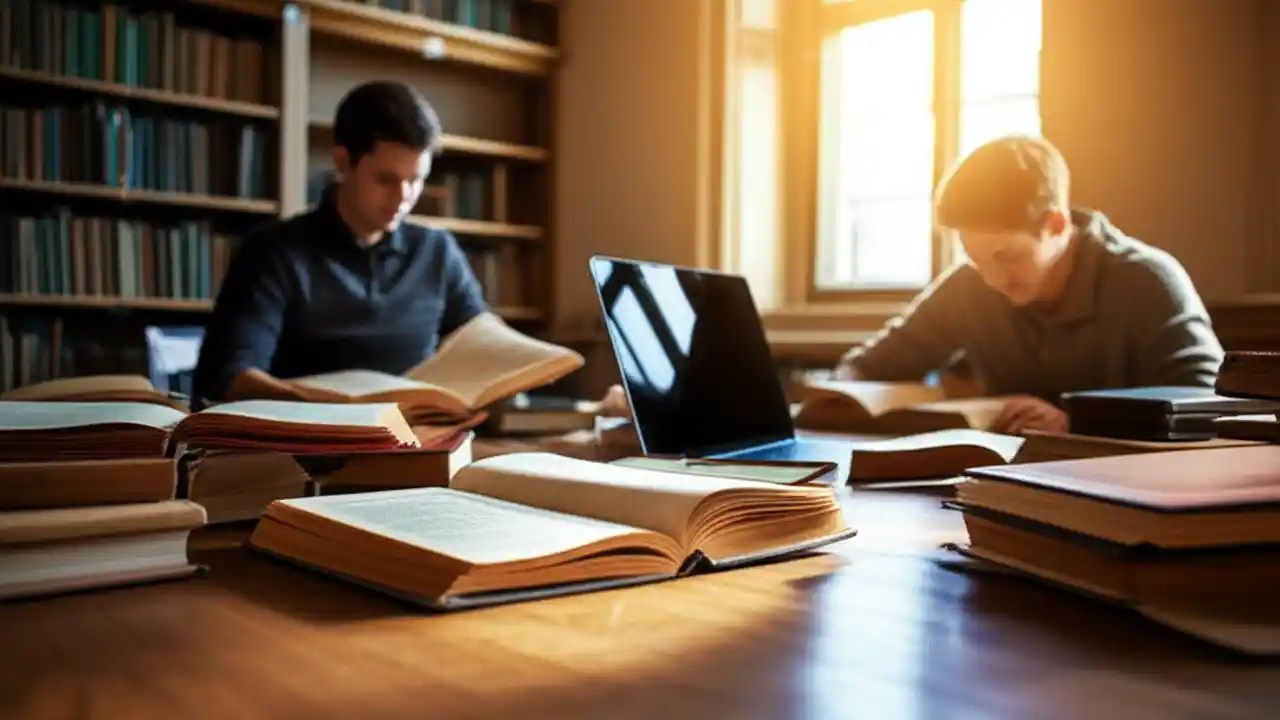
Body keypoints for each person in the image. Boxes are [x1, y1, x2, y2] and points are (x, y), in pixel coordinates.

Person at [834, 135, 1224, 434]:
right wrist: (841, 390)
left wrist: (1075, 423)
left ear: (1055, 225)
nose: (992, 279)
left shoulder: (1148, 282)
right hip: (1005, 485)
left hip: (1132, 491)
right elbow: (874, 364)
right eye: (975, 259)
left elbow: (1205, 403)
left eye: (1007, 258)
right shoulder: (970, 286)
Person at [192, 81, 487, 405]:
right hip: (309, 442)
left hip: (422, 442)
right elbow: (227, 377)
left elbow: (483, 347)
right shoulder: (274, 252)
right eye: (386, 179)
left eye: (415, 180)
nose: (404, 197)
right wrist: (339, 408)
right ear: (343, 161)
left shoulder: (437, 253)